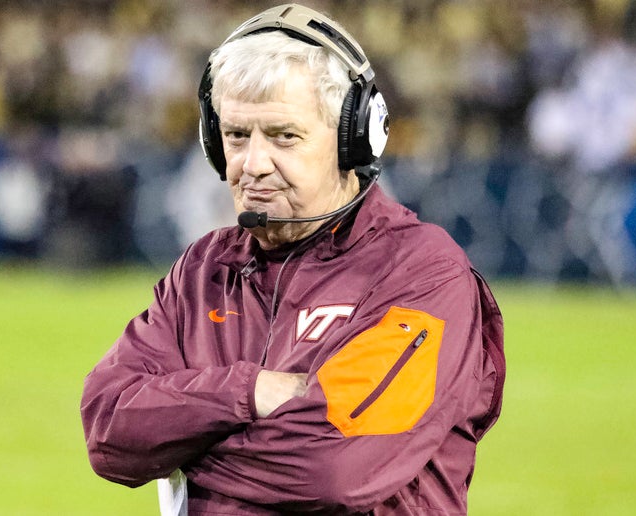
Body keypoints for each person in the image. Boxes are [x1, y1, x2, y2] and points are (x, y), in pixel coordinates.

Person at [80, 4, 505, 515]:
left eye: (284, 136)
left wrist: (184, 445)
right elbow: (108, 430)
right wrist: (249, 390)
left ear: (352, 140)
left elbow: (332, 470)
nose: (254, 164)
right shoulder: (201, 271)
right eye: (237, 136)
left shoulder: (422, 273)